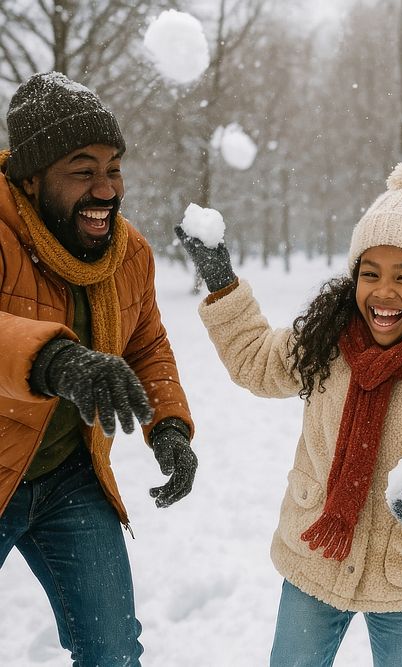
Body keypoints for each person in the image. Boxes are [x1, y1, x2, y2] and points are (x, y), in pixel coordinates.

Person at [175, 156, 402, 667]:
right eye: (371, 273)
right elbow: (257, 361)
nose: (383, 291)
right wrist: (222, 284)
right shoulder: (328, 342)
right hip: (314, 559)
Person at [0, 72, 198, 664]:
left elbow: (146, 342)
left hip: (69, 479)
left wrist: (169, 427)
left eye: (113, 168)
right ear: (31, 179)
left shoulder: (127, 251)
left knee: (113, 651)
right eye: (83, 170)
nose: (106, 189)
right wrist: (56, 360)